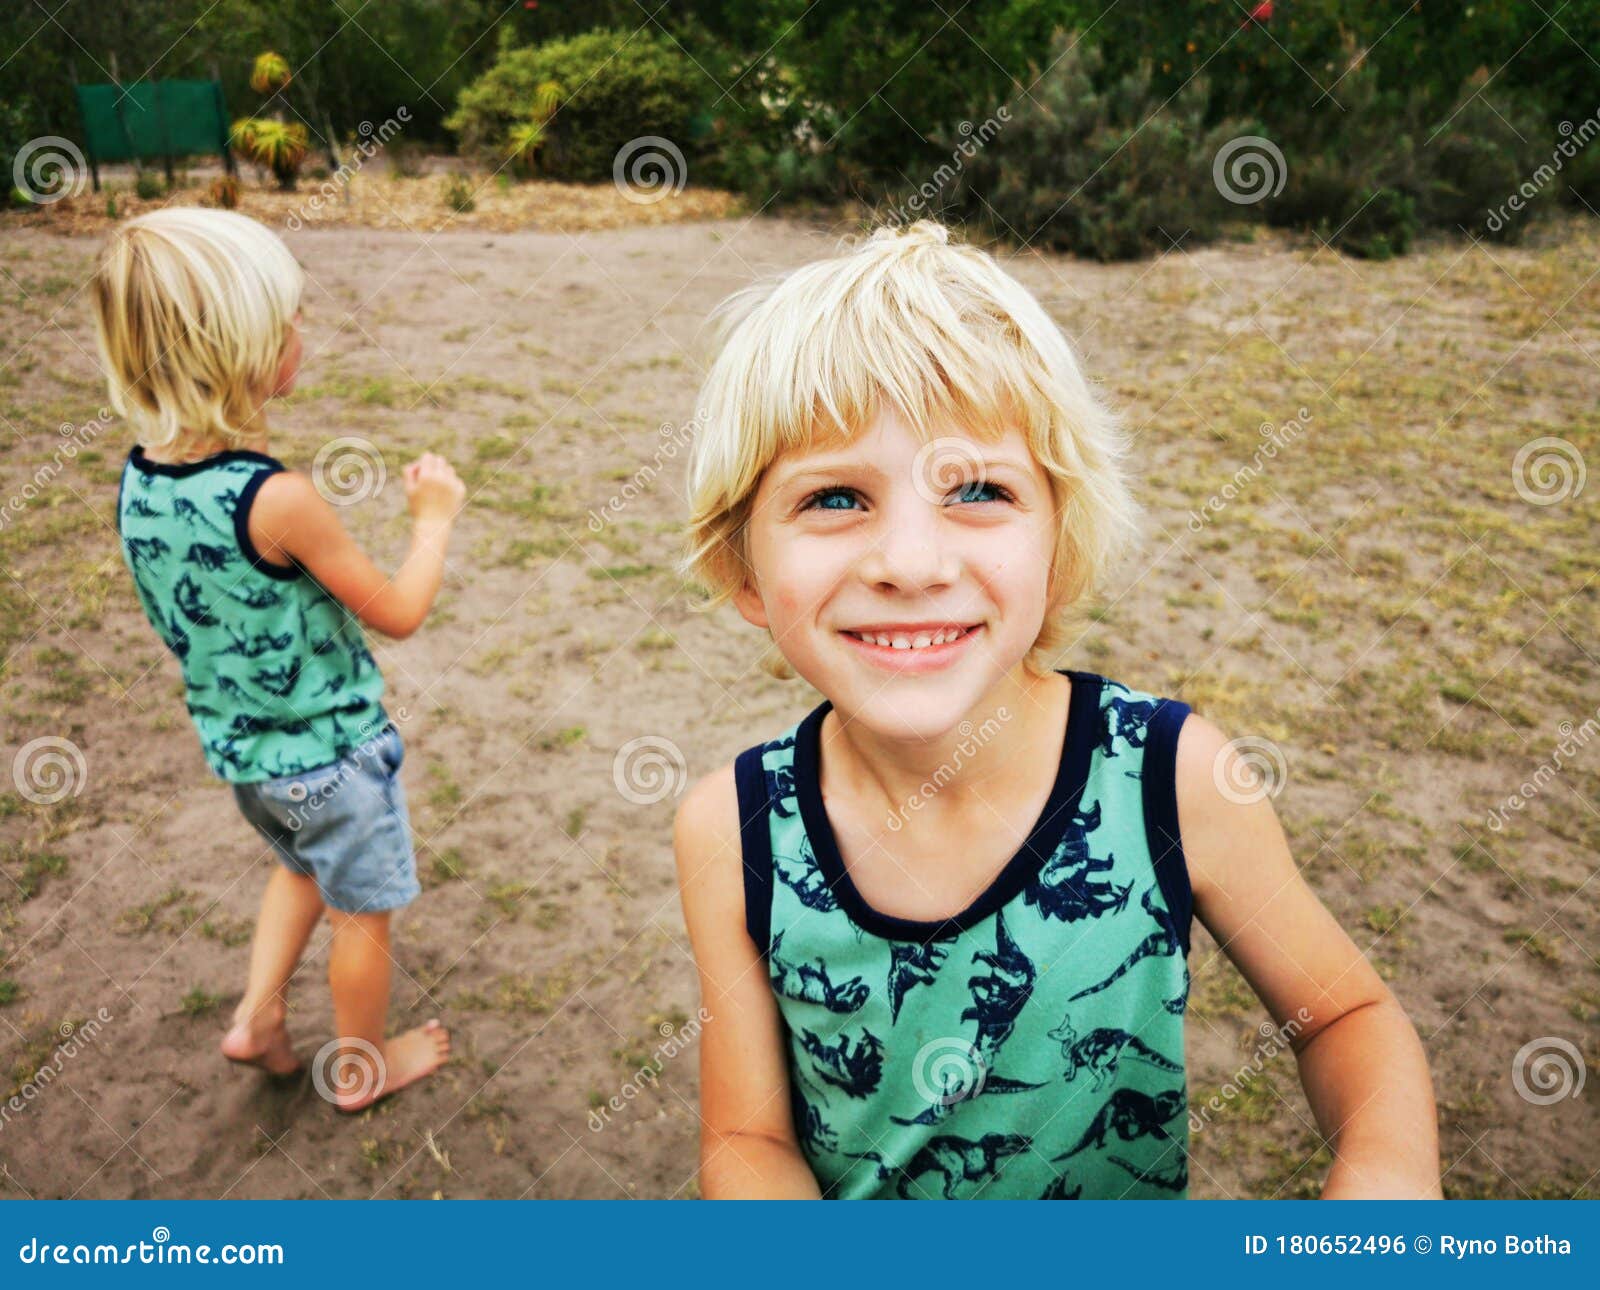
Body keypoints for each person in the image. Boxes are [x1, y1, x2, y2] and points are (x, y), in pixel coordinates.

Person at [672, 220, 1441, 1199]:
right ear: (744, 567)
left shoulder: (1170, 781)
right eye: (832, 499)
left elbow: (1346, 1020)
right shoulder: (730, 834)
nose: (909, 564)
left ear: (1059, 546)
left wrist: (1386, 1182)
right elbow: (746, 1138)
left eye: (979, 489)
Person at [94, 208, 463, 1110]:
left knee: (298, 866)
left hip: (245, 758)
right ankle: (362, 1069)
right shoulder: (278, 498)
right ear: (241, 350)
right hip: (333, 760)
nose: (303, 333)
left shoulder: (140, 480)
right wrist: (434, 521)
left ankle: (257, 1018)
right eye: (289, 320)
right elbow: (401, 612)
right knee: (363, 917)